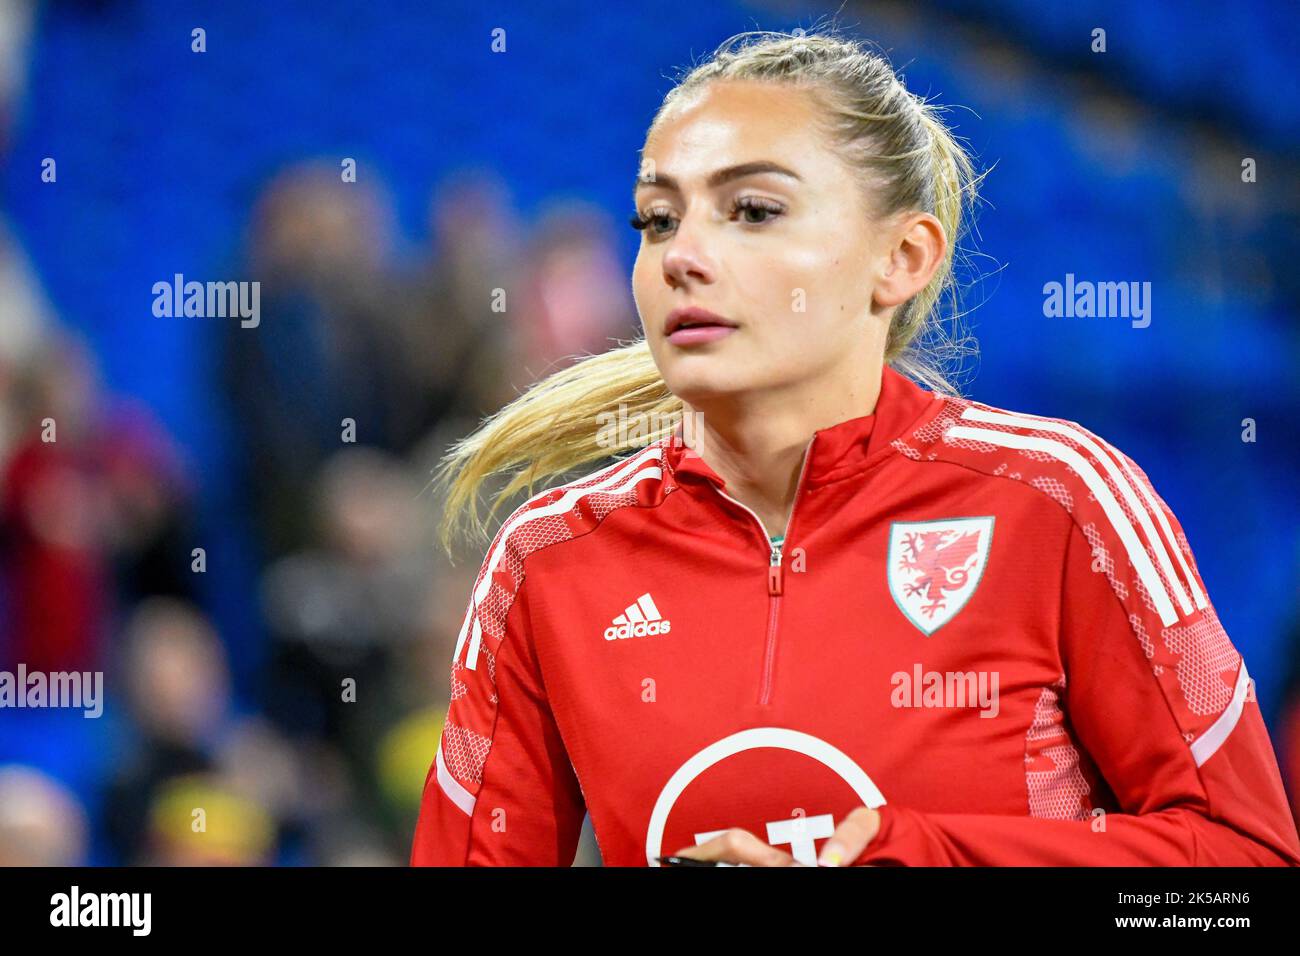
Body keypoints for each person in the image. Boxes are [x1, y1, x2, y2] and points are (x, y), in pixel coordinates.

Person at [410, 28, 1300, 866]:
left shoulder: (1060, 502)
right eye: (656, 219)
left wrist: (916, 857)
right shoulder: (549, 561)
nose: (681, 254)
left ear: (902, 258)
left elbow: (1234, 876)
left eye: (752, 210)